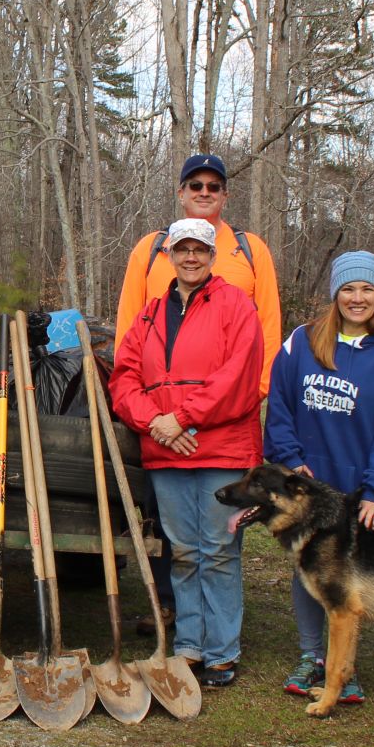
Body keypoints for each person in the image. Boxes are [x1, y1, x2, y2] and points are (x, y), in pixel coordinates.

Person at [109, 218, 266, 689]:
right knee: (182, 551)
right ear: (170, 257)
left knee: (218, 550)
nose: (191, 257)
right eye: (183, 250)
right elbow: (123, 378)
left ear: (212, 256)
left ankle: (221, 650)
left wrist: (181, 417)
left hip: (220, 450)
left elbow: (238, 375)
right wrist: (154, 422)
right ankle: (189, 646)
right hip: (167, 450)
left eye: (200, 249)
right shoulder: (152, 313)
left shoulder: (236, 304)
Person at [264, 251, 374, 703]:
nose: (358, 297)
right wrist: (289, 457)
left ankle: (344, 668)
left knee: (344, 579)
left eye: (367, 289)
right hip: (309, 485)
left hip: (356, 490)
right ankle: (312, 656)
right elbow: (280, 404)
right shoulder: (301, 343)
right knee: (307, 569)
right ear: (335, 294)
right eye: (349, 288)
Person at [113, 152, 280, 395]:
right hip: (158, 399)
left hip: (230, 400)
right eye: (195, 185)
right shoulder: (149, 248)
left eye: (214, 187)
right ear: (182, 194)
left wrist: (259, 388)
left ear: (225, 196)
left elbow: (269, 325)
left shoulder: (252, 249)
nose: (204, 192)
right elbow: (128, 325)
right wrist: (131, 393)